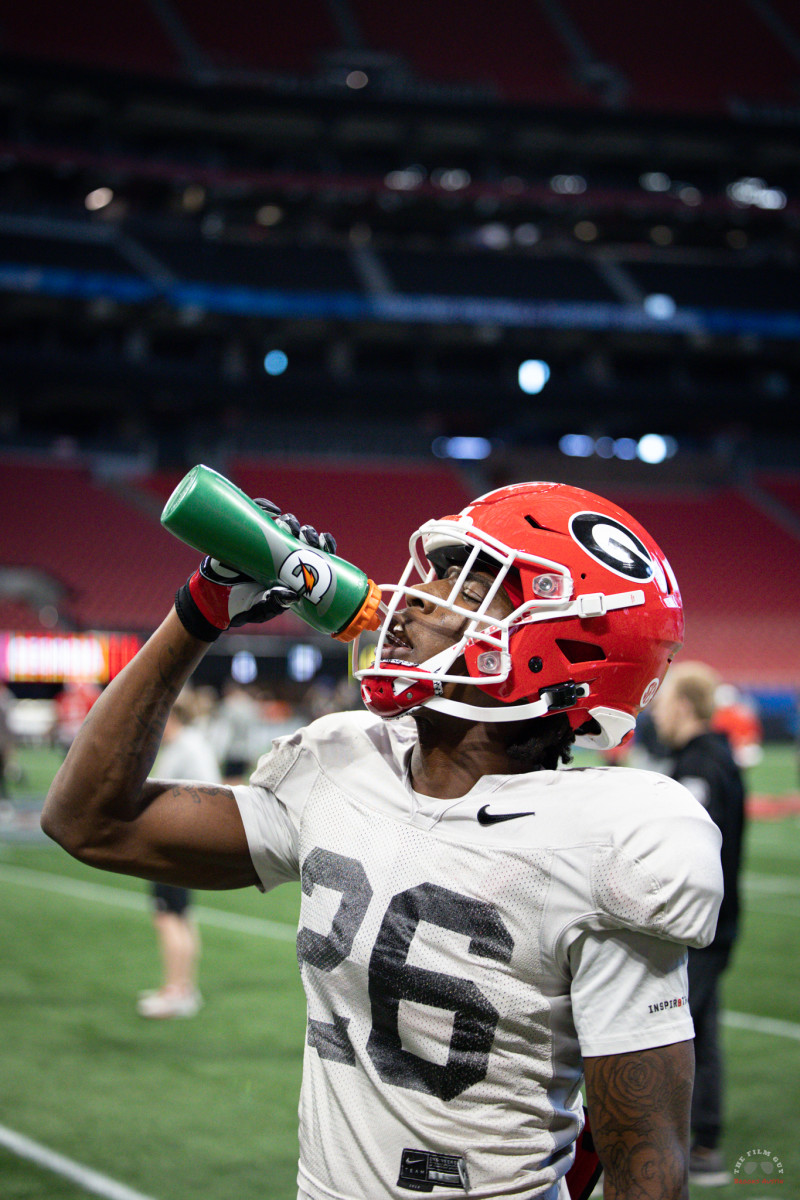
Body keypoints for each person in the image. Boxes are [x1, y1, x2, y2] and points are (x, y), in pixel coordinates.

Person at [41, 482, 723, 1200]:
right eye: (433, 572)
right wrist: (200, 610)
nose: (420, 596)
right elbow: (88, 820)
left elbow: (648, 1165)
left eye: (469, 583)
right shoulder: (342, 765)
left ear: (558, 642)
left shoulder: (605, 841)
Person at [652, 662, 746, 1188]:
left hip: (700, 926)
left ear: (684, 705)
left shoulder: (700, 763)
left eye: (664, 700)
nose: (657, 710)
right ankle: (703, 1138)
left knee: (675, 1035)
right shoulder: (712, 756)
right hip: (716, 922)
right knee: (702, 1032)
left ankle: (684, 1145)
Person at [137, 689, 222, 1019]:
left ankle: (176, 991)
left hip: (176, 845)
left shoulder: (185, 747)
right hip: (186, 844)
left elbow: (166, 795)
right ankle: (182, 987)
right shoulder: (192, 744)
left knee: (169, 917)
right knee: (181, 917)